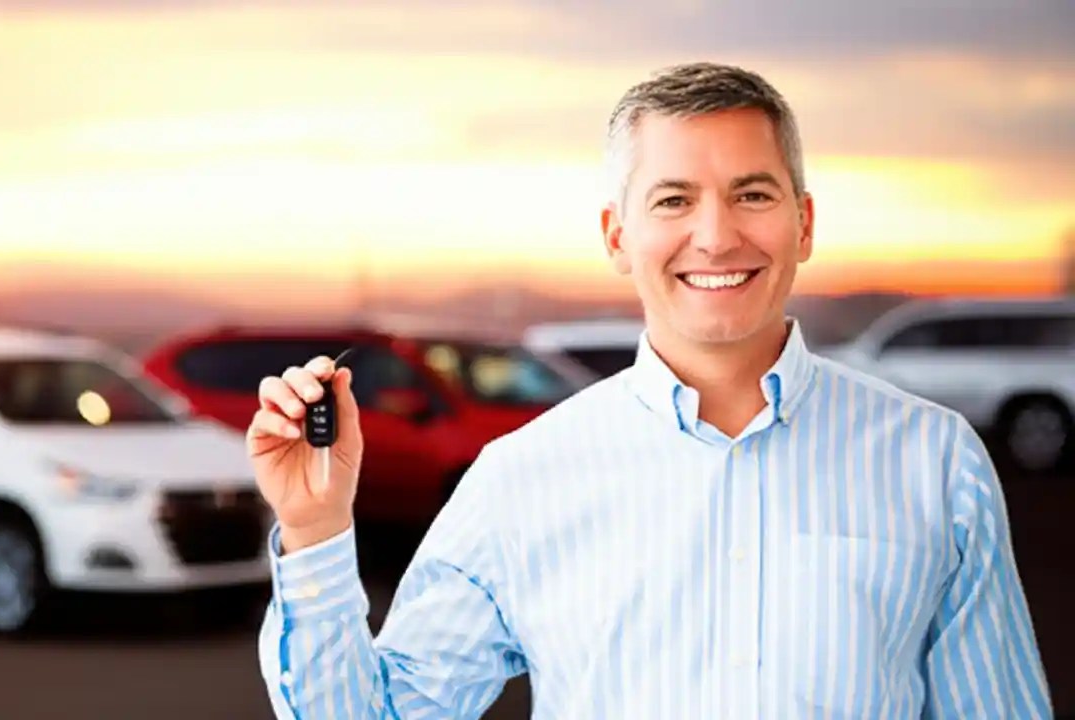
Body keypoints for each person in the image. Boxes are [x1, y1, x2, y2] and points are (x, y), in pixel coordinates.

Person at [248, 62, 1053, 718]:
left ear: (804, 224)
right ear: (617, 236)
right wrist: (316, 530)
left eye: (753, 194)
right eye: (673, 199)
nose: (716, 234)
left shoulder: (934, 459)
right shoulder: (522, 477)